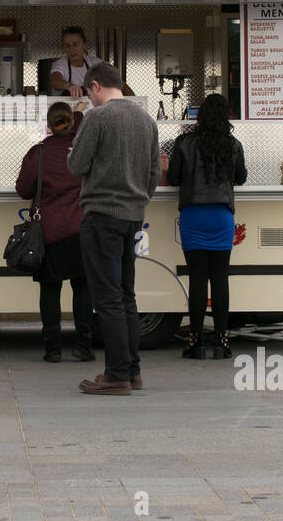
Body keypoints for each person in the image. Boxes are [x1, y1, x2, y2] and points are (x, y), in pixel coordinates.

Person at [67, 62, 161, 396]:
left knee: (106, 299)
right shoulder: (146, 121)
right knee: (126, 295)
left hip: (102, 215)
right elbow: (153, 174)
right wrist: (137, 201)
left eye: (90, 93)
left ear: (94, 87)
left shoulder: (96, 118)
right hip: (133, 216)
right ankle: (132, 370)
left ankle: (117, 375)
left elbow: (76, 165)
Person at [165, 94, 248, 360]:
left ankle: (196, 342)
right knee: (220, 279)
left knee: (198, 279)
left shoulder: (184, 143)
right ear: (225, 116)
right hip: (222, 216)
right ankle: (222, 343)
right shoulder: (233, 145)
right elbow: (241, 178)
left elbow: (175, 177)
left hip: (193, 215)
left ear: (200, 117)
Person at [15, 102, 94, 363]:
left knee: (50, 290)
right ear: (73, 123)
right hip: (82, 230)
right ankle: (84, 345)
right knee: (82, 289)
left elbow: (24, 189)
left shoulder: (39, 153)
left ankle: (53, 349)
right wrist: (79, 110)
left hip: (48, 233)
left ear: (48, 126)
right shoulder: (84, 151)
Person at [49, 27, 135, 98]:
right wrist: (69, 86)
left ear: (84, 45)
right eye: (67, 45)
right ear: (63, 47)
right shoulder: (60, 65)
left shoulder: (95, 64)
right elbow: (55, 80)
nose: (71, 49)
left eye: (75, 44)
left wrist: (134, 102)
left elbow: (119, 82)